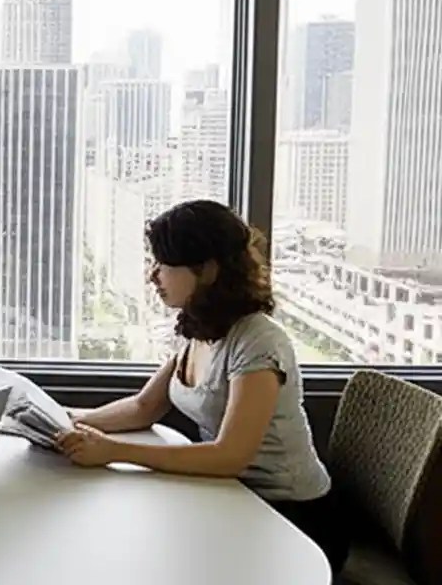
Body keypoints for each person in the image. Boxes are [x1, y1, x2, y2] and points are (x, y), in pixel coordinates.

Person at [55, 199, 349, 572]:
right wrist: (65, 420)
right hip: (233, 498)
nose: (152, 275)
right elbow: (145, 407)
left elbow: (230, 455)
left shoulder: (257, 340)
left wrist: (113, 450)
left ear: (206, 269)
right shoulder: (199, 327)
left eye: (163, 264)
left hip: (291, 518)